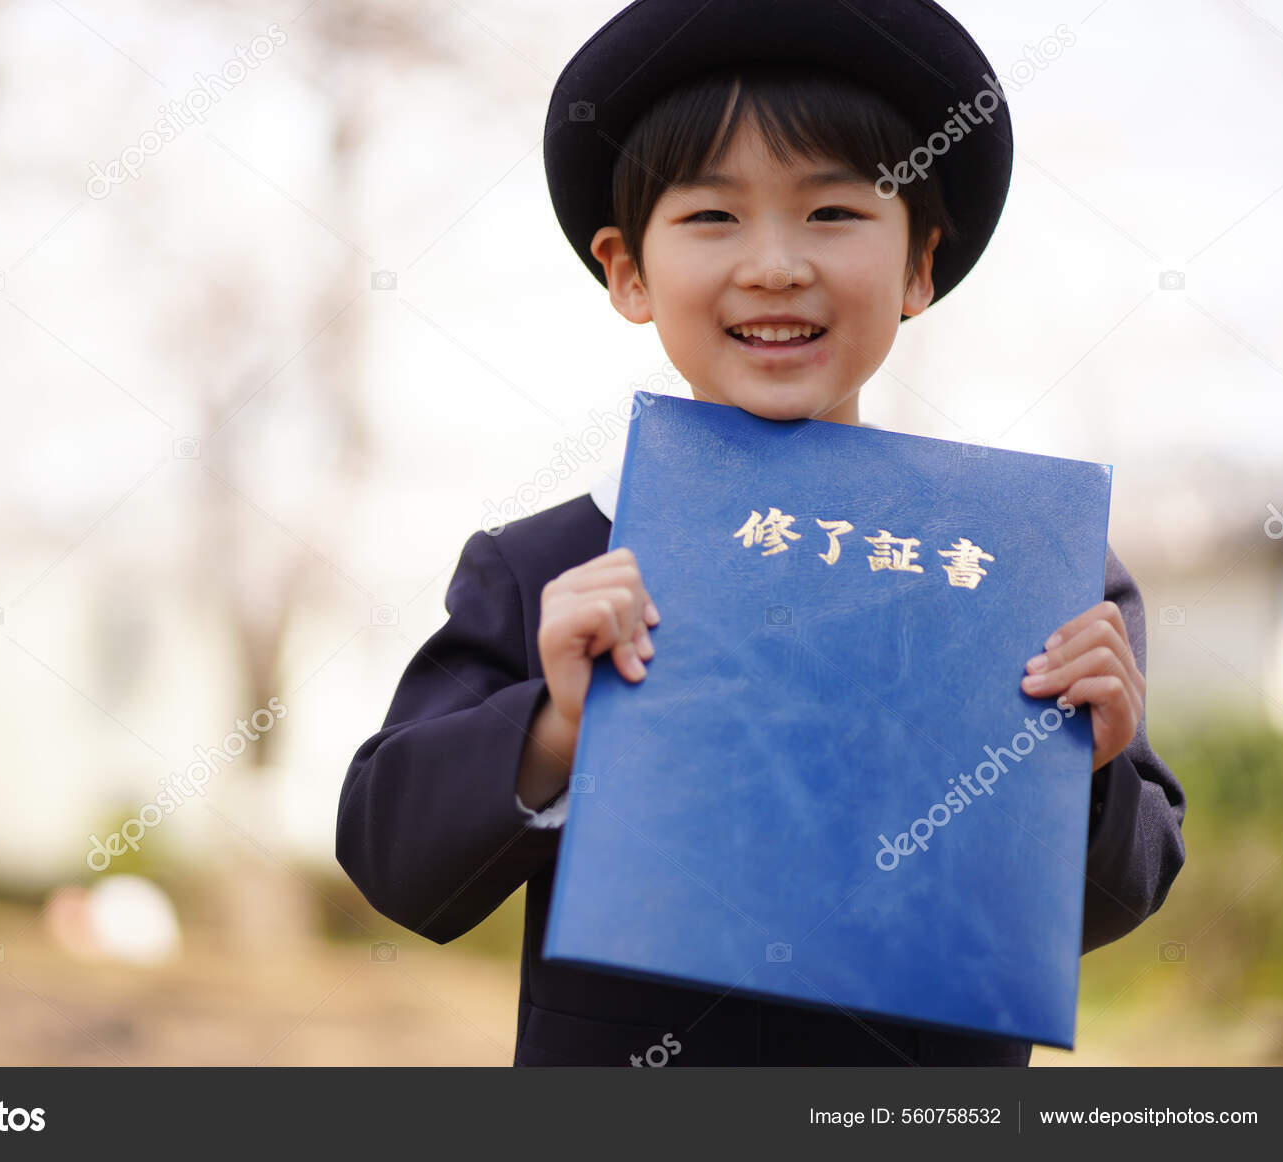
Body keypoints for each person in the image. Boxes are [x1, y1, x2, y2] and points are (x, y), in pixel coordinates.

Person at [335, 0, 1186, 1066]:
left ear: (920, 263)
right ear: (627, 273)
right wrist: (553, 725)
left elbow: (1109, 906)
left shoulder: (1031, 573)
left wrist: (1091, 773)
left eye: (833, 212)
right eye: (711, 217)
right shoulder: (554, 568)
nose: (775, 264)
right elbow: (395, 863)